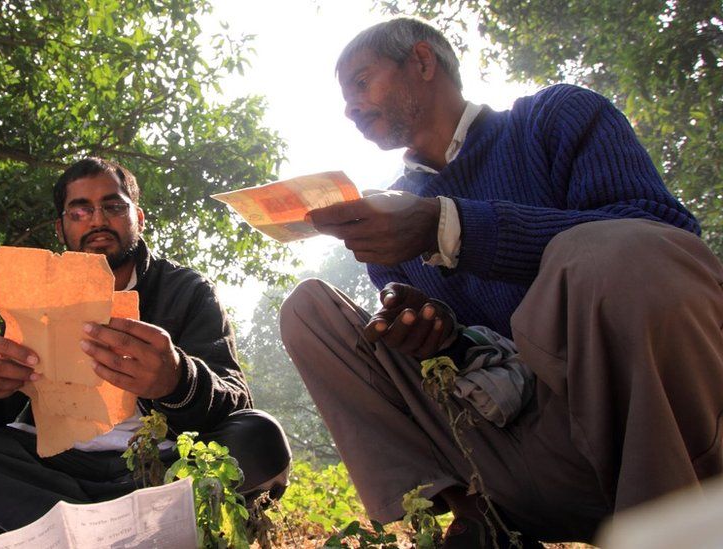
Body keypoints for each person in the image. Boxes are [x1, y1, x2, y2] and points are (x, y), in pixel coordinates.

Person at [280, 16, 723, 547]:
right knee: (309, 309)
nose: (350, 107)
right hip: (506, 454)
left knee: (614, 247)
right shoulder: (388, 220)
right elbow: (465, 358)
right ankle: (479, 522)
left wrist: (453, 227)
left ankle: (672, 528)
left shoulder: (556, 118)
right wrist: (438, 336)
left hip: (639, 430)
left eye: (361, 81)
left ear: (422, 62)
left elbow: (662, 238)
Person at [0, 157, 291, 538]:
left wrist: (178, 380)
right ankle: (115, 529)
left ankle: (39, 522)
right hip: (47, 464)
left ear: (139, 219)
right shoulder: (33, 290)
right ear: (60, 229)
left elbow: (235, 400)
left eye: (113, 207)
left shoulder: (187, 291)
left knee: (260, 436)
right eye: (79, 211)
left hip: (155, 470)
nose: (97, 220)